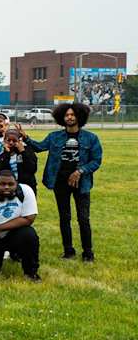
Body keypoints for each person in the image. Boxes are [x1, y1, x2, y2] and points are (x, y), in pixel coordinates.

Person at [22, 102, 102, 261]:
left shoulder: (91, 138)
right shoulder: (55, 136)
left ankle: (88, 253)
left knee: (83, 219)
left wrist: (80, 171)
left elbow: (96, 160)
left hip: (82, 183)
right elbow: (39, 147)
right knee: (64, 217)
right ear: (62, 118)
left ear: (80, 116)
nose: (70, 117)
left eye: (73, 115)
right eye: (67, 115)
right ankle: (68, 251)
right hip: (60, 181)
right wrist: (26, 138)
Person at [0, 127, 38, 191]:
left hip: (26, 187)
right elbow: (2, 170)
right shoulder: (2, 155)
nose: (11, 143)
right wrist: (7, 153)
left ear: (19, 141)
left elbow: (32, 169)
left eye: (14, 141)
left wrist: (23, 152)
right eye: (8, 140)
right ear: (4, 141)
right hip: (8, 188)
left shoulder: (27, 151)